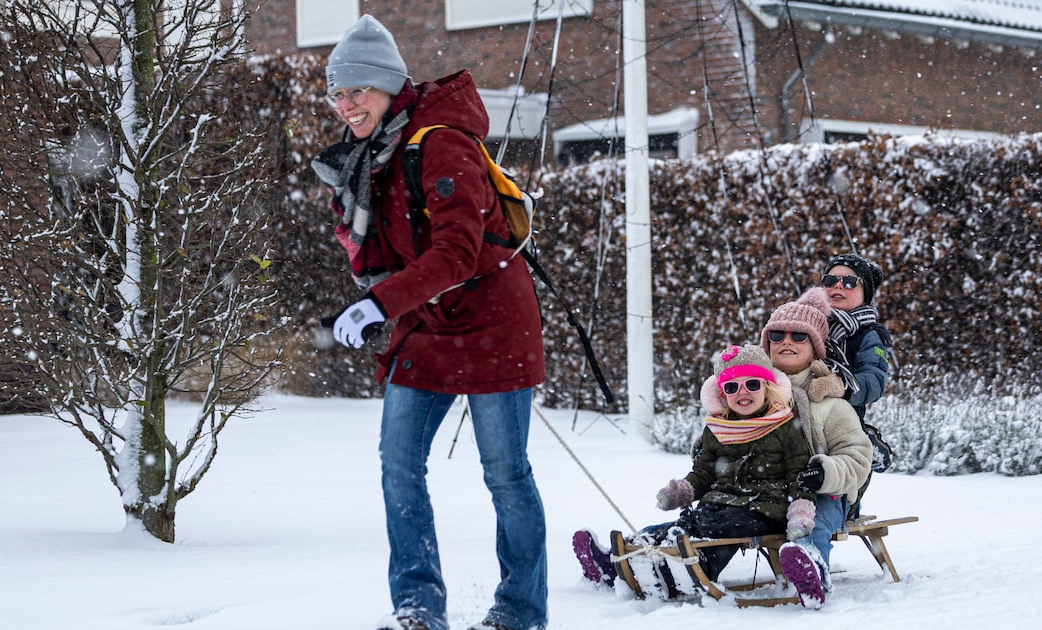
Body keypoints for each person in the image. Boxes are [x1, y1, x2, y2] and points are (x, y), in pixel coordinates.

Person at [311, 15, 547, 630]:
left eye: (358, 90)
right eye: (338, 94)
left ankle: (520, 611)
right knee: (399, 464)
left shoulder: (440, 142)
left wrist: (377, 304)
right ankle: (417, 606)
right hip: (428, 324)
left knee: (506, 475)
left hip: (493, 322)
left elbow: (457, 253)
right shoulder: (376, 152)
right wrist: (386, 299)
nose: (346, 105)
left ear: (389, 86)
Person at [573, 343, 810, 600]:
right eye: (732, 387)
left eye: (752, 384)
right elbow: (704, 473)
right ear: (723, 393)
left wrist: (800, 511)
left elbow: (798, 475)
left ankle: (693, 568)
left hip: (765, 508)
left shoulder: (784, 426)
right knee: (685, 523)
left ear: (768, 387)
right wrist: (682, 490)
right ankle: (619, 560)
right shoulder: (718, 428)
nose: (742, 392)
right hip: (719, 504)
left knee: (722, 527)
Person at [759, 287, 874, 608]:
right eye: (777, 334)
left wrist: (825, 473)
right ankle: (677, 559)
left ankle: (810, 563)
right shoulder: (749, 395)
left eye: (799, 336)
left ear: (815, 349)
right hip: (763, 492)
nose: (786, 341)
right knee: (719, 515)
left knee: (814, 521)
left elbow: (858, 457)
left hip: (824, 495)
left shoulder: (831, 404)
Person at [820, 253, 894, 472]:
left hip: (845, 415)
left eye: (850, 282)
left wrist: (843, 387)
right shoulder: (807, 325)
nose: (838, 286)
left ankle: (865, 444)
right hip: (806, 410)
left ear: (865, 295)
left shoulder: (869, 335)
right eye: (830, 280)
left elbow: (874, 380)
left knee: (842, 471)